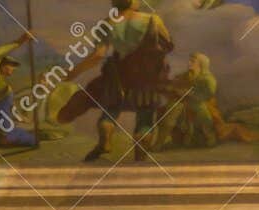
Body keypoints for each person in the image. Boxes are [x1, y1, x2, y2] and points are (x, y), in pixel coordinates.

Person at [57, 0, 173, 164]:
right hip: (145, 78)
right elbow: (167, 44)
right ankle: (139, 158)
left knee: (111, 109)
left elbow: (97, 56)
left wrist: (73, 72)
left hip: (118, 75)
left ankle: (105, 143)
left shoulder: (107, 23)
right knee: (145, 116)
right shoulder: (153, 19)